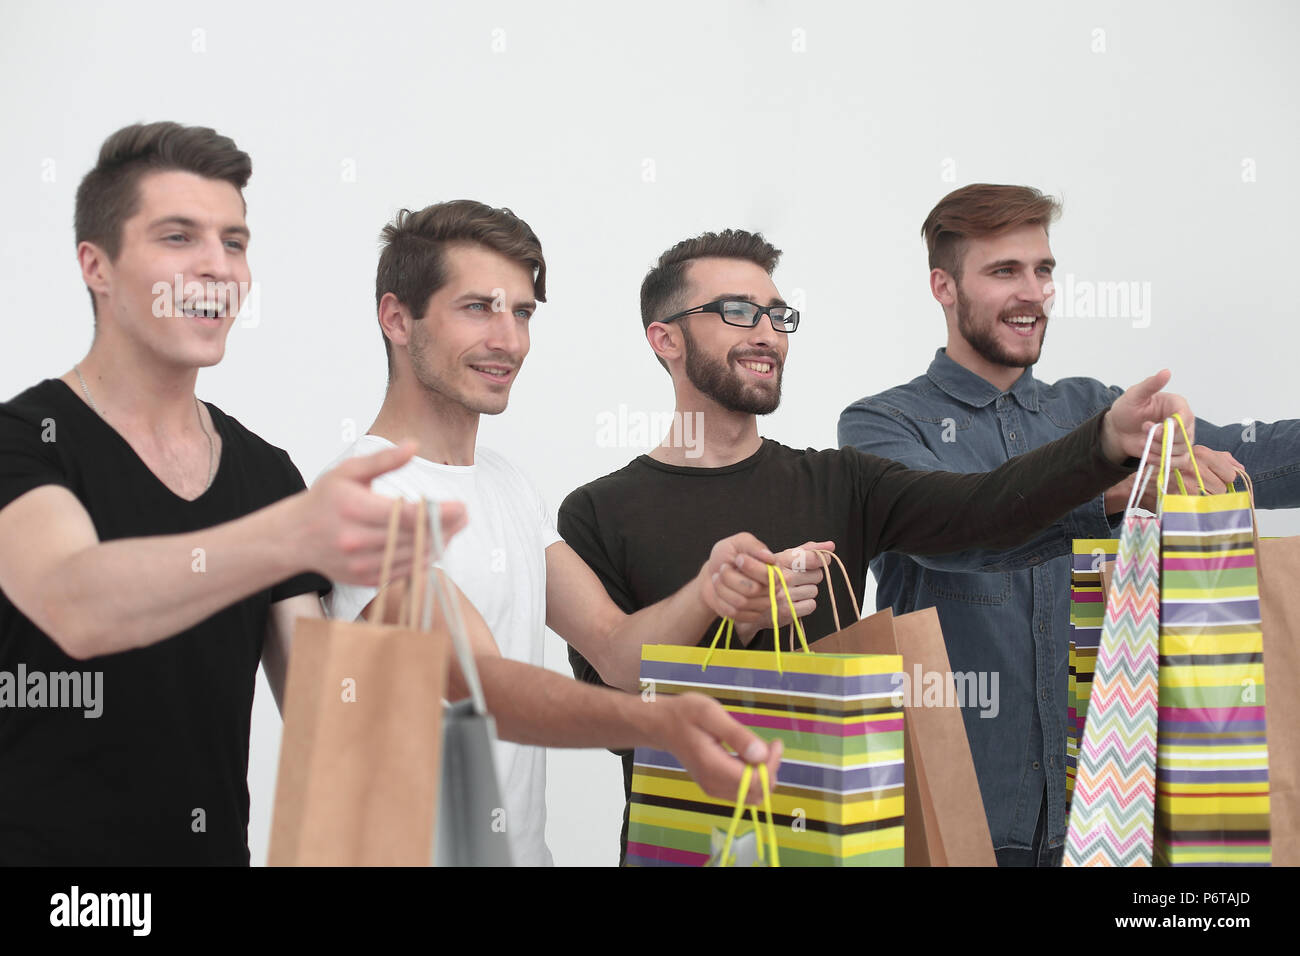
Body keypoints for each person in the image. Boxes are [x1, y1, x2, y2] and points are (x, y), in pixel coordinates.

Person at [0, 124, 779, 866]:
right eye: (179, 237)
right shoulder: (27, 441)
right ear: (95, 265)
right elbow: (75, 603)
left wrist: (694, 624)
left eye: (233, 242)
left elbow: (323, 709)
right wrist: (649, 722)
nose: (217, 265)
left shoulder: (265, 475)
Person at [559, 227, 1194, 862]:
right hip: (690, 847)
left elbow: (986, 510)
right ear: (664, 338)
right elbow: (608, 710)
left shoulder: (843, 483)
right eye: (736, 312)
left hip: (844, 845)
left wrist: (1105, 443)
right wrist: (726, 611)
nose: (766, 333)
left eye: (778, 315)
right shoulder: (597, 511)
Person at [322, 200, 808, 866]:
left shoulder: (508, 486)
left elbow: (615, 651)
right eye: (477, 309)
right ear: (398, 318)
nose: (509, 340)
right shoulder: (368, 493)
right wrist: (658, 723)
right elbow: (483, 682)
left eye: (521, 313)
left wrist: (712, 588)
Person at [837, 183, 1300, 866]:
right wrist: (1116, 482)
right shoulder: (883, 425)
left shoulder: (1089, 407)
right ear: (943, 286)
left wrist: (1186, 463)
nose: (1033, 292)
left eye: (1043, 269)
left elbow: (1249, 456)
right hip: (955, 811)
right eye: (1004, 272)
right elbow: (970, 527)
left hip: (1109, 815)